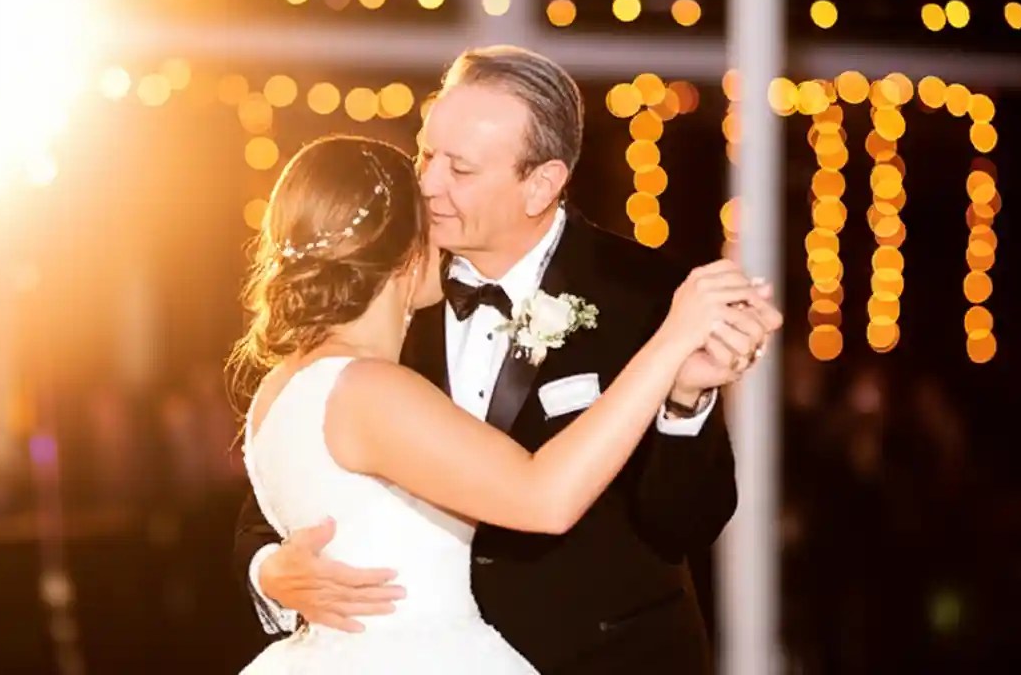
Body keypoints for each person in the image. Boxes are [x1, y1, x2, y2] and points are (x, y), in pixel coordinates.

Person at [233, 46, 781, 673]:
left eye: (459, 169)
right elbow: (279, 502)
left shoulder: (649, 295)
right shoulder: (377, 293)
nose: (428, 183)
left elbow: (684, 524)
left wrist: (683, 403)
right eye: (426, 154)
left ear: (541, 183)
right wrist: (270, 571)